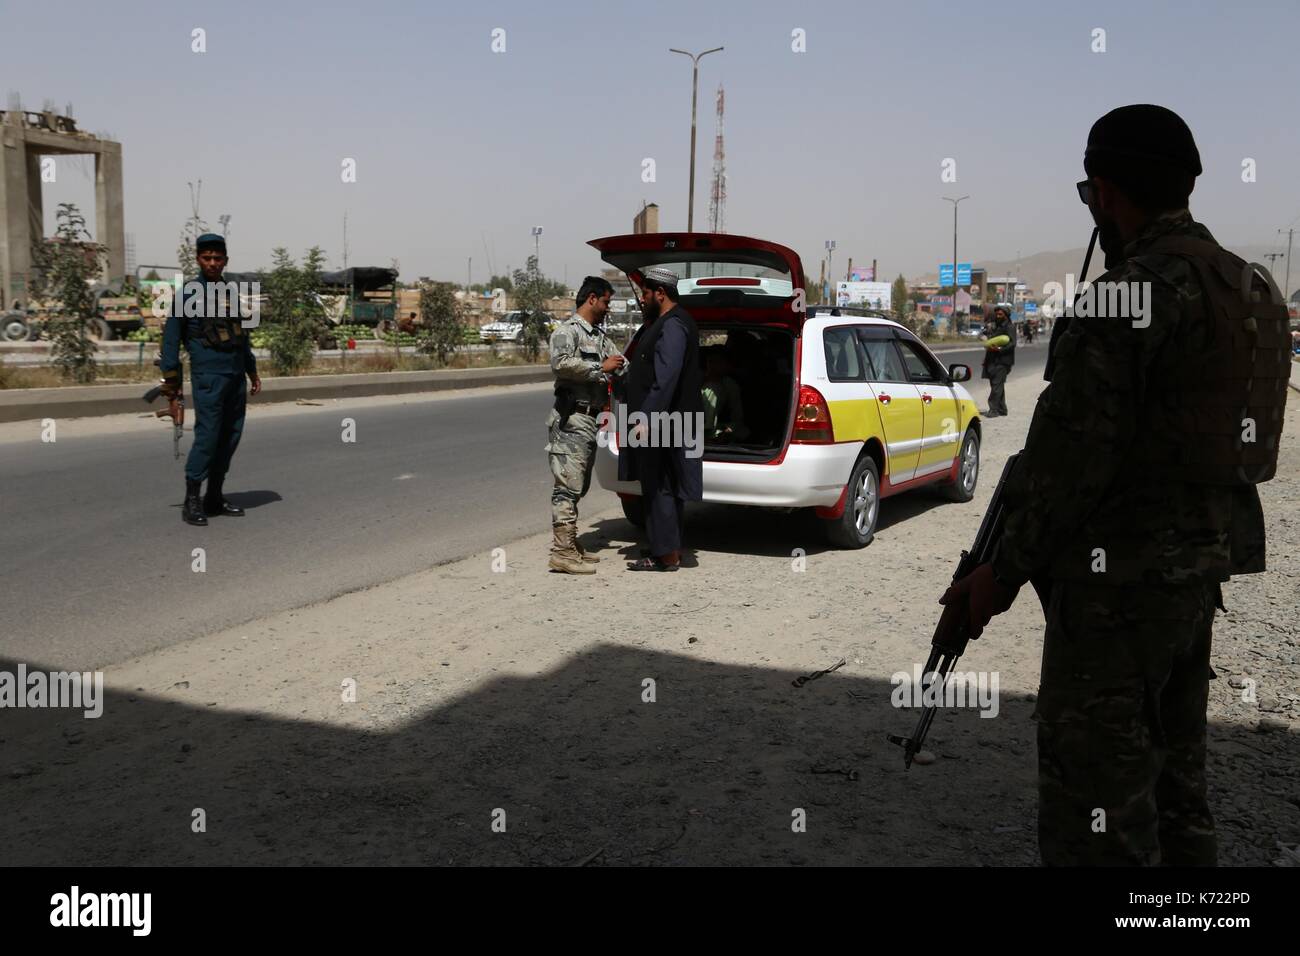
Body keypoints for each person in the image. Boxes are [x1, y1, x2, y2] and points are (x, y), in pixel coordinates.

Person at [940, 104, 1291, 866]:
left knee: (1094, 803)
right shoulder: (1249, 287)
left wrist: (997, 578)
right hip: (1196, 578)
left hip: (1114, 592)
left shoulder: (1130, 295)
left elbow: (1068, 465)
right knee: (1176, 784)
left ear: (1106, 192)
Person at [158, 234, 261, 526]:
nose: (213, 263)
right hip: (208, 378)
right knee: (208, 437)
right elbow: (171, 341)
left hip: (234, 376)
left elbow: (243, 338)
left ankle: (215, 496)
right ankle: (193, 498)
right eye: (207, 258)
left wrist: (251, 371)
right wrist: (171, 382)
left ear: (226, 260)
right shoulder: (188, 294)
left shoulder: (231, 293)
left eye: (218, 258)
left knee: (231, 436)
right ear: (198, 260)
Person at [622, 267, 702, 571]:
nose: (642, 299)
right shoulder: (661, 323)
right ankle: (664, 546)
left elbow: (666, 376)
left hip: (667, 423)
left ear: (660, 293)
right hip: (665, 421)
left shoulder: (674, 325)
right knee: (658, 486)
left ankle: (666, 556)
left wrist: (646, 418)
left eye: (645, 293)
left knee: (660, 487)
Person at [545, 276, 625, 573]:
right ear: (592, 299)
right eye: (605, 302)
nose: (607, 308)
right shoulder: (567, 332)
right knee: (567, 486)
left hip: (591, 420)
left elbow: (620, 362)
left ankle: (571, 544)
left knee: (579, 485)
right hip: (571, 419)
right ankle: (561, 552)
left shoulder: (600, 337)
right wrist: (599, 368)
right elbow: (560, 363)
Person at [701, 346, 748, 443]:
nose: (713, 365)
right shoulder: (696, 378)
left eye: (719, 362)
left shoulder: (729, 385)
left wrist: (727, 431)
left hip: (718, 430)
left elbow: (737, 417)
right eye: (711, 361)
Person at [981, 304, 1016, 417]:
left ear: (1006, 315)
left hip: (1002, 361)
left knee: (996, 385)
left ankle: (993, 410)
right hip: (992, 360)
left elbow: (1012, 344)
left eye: (1000, 314)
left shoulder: (1009, 327)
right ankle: (1002, 409)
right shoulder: (996, 327)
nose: (998, 315)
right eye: (997, 314)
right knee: (997, 385)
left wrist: (999, 349)